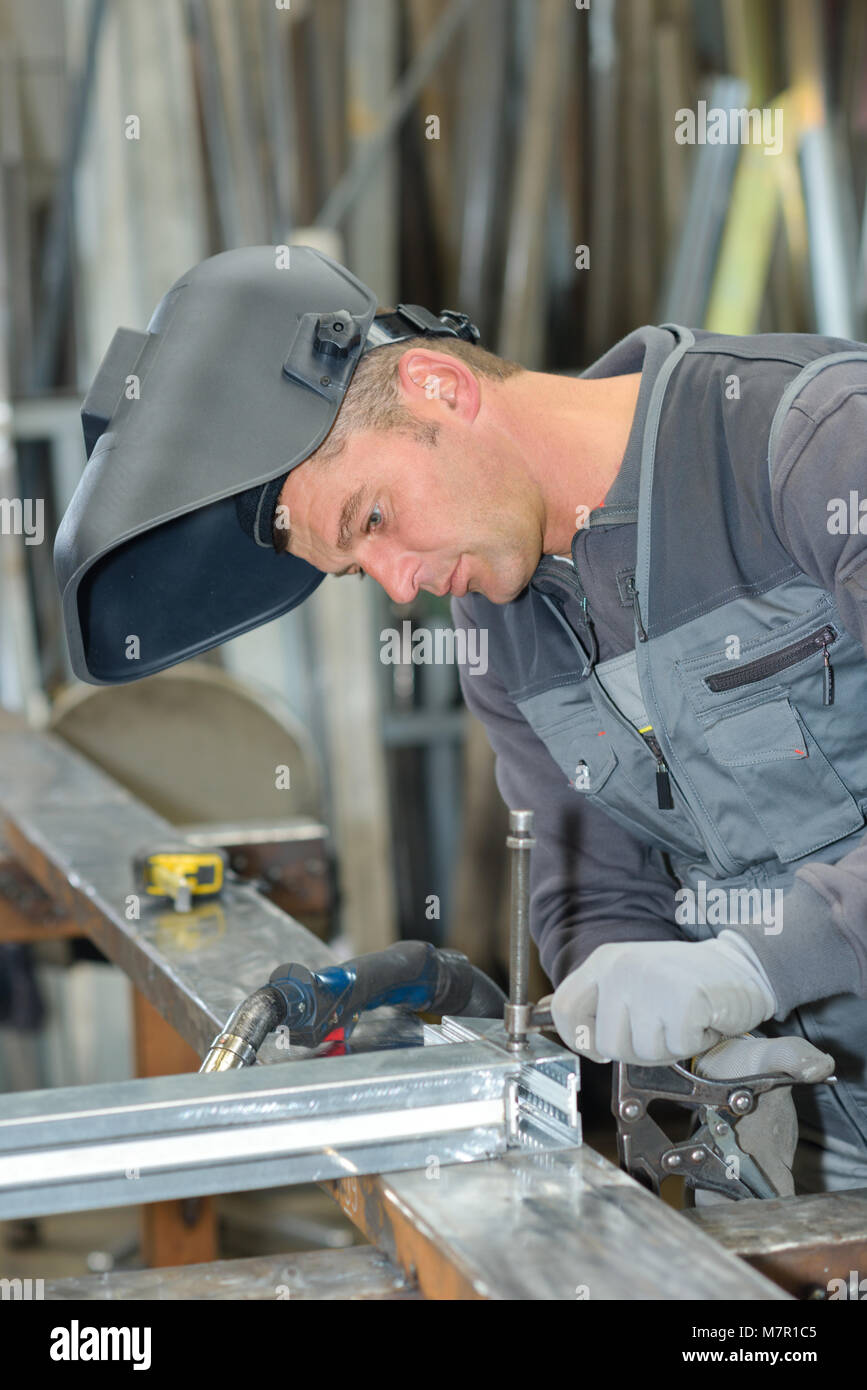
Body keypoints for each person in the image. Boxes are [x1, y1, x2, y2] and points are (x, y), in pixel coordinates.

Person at [57, 246, 867, 1192]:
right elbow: (595, 893)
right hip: (808, 1149)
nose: (400, 583)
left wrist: (755, 967)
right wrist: (664, 1029)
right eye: (360, 568)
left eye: (371, 519)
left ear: (439, 385)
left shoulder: (812, 443)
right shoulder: (501, 616)